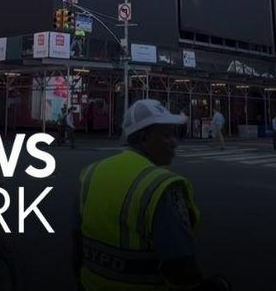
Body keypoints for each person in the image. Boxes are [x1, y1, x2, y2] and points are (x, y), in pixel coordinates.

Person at [73, 99, 227, 291]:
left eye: (174, 134)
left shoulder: (90, 173)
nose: (174, 143)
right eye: (166, 135)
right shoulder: (160, 185)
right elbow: (180, 265)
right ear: (144, 138)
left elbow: (78, 242)